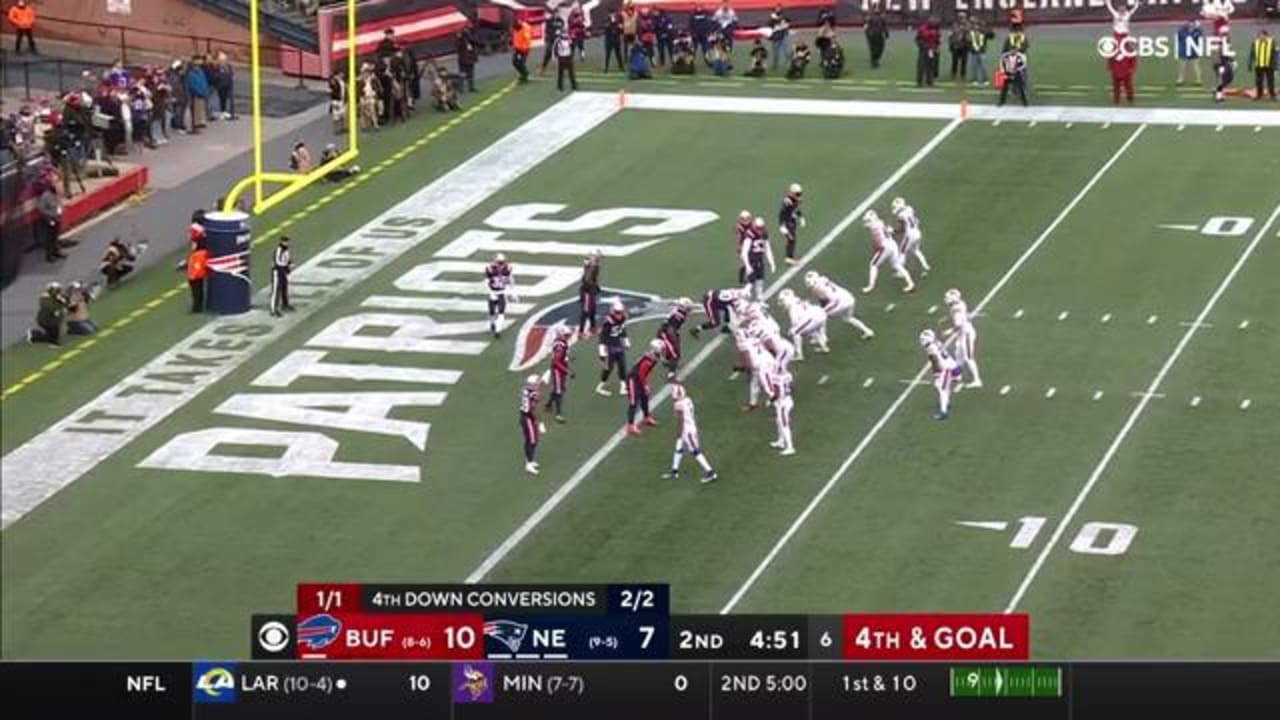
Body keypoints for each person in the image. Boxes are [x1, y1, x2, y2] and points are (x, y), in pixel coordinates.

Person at [662, 384, 718, 483]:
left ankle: (710, 472)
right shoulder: (688, 400)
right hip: (690, 427)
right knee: (679, 448)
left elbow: (681, 420)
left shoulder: (678, 404)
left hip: (687, 430)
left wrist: (679, 432)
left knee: (695, 451)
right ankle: (674, 471)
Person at [805, 271, 874, 339]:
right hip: (849, 298)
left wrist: (824, 310)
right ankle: (868, 331)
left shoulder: (817, 288)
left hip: (840, 303)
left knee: (820, 316)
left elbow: (834, 301)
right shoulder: (823, 279)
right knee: (847, 318)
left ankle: (822, 337)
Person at [862, 209, 914, 294]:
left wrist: (876, 249)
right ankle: (910, 283)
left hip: (885, 246)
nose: (867, 222)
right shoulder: (880, 222)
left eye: (868, 220)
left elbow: (877, 241)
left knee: (873, 265)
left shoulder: (874, 226)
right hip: (892, 244)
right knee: (897, 265)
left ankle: (871, 286)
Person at [943, 288, 982, 389]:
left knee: (968, 358)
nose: (946, 299)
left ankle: (977, 380)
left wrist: (949, 331)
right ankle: (957, 375)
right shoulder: (960, 304)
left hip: (966, 334)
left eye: (948, 297)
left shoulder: (956, 309)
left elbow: (959, 325)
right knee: (958, 354)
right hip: (963, 333)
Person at [624, 339, 664, 436]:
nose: (662, 350)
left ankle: (646, 417)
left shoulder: (654, 355)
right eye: (661, 348)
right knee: (633, 402)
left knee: (645, 398)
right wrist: (645, 385)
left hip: (638, 378)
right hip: (633, 379)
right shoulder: (649, 359)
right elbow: (640, 374)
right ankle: (630, 426)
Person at [777, 288, 830, 360]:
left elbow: (795, 323)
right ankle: (824, 347)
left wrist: (791, 330)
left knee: (795, 332)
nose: (782, 303)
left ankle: (799, 355)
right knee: (812, 329)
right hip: (820, 313)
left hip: (814, 317)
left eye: (782, 301)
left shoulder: (792, 308)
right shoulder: (797, 300)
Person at [919, 329, 960, 420]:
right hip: (951, 365)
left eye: (923, 339)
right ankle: (946, 404)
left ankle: (943, 412)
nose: (922, 341)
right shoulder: (937, 343)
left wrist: (937, 373)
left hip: (945, 368)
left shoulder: (931, 348)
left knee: (942, 389)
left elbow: (935, 362)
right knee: (943, 387)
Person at [596, 299, 630, 395]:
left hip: (618, 344)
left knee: (622, 366)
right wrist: (601, 350)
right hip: (609, 347)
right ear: (612, 311)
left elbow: (622, 329)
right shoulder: (608, 321)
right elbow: (602, 336)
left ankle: (623, 387)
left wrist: (626, 340)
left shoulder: (623, 318)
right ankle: (600, 387)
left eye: (620, 312)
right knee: (608, 369)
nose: (619, 314)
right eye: (617, 312)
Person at [891, 196, 931, 276]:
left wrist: (893, 231)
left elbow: (901, 229)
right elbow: (916, 220)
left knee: (902, 252)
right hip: (917, 233)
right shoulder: (910, 208)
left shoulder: (901, 215)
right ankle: (925, 265)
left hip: (910, 236)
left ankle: (900, 271)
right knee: (916, 250)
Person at [740, 216, 775, 299]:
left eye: (762, 228)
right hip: (752, 259)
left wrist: (772, 262)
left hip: (759, 259)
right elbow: (744, 252)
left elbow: (768, 248)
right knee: (751, 282)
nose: (760, 230)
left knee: (760, 280)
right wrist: (747, 265)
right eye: (759, 228)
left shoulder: (764, 234)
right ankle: (741, 299)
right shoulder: (750, 235)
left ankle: (760, 298)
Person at [545, 326, 574, 422]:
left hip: (561, 368)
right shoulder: (560, 345)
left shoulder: (561, 342)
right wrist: (567, 371)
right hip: (558, 369)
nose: (568, 337)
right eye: (566, 335)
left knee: (560, 389)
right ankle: (558, 414)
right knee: (559, 391)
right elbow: (556, 361)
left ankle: (548, 405)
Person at [485, 253, 517, 337]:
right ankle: (493, 324)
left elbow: (511, 280)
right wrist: (490, 292)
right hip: (494, 292)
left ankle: (497, 330)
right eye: (499, 262)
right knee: (492, 312)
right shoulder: (490, 268)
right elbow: (487, 281)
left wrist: (512, 292)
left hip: (501, 292)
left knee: (501, 313)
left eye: (501, 262)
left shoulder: (506, 269)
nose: (500, 264)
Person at [518, 374, 545, 475]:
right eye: (537, 383)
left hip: (524, 416)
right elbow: (534, 409)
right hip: (528, 417)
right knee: (532, 441)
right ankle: (529, 464)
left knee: (530, 440)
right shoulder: (533, 393)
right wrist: (540, 423)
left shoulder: (525, 390)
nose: (538, 384)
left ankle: (530, 460)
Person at [768, 365, 796, 456]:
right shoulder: (788, 374)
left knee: (784, 424)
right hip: (788, 399)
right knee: (778, 422)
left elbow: (777, 393)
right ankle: (781, 441)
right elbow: (792, 387)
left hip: (783, 403)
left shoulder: (775, 377)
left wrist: (770, 400)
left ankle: (790, 447)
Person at [36, 184, 66, 261]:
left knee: (56, 235)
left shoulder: (57, 194)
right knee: (50, 237)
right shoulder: (45, 196)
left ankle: (56, 251)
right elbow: (41, 209)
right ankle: (49, 256)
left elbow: (59, 204)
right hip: (50, 219)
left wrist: (60, 212)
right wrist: (51, 215)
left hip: (57, 218)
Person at [778, 183, 805, 262]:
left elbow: (796, 209)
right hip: (787, 223)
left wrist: (801, 217)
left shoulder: (794, 200)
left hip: (791, 221)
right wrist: (782, 226)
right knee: (791, 239)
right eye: (797, 194)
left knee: (792, 239)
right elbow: (781, 215)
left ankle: (790, 257)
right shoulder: (787, 202)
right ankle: (789, 258)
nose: (799, 196)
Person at [1249, 28, 1277, 101]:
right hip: (1259, 65)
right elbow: (1252, 53)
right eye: (1259, 35)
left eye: (1262, 35)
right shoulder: (1255, 42)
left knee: (1270, 81)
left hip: (1269, 65)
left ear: (1266, 35)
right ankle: (1259, 95)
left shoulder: (1271, 42)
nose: (1261, 36)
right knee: (1259, 81)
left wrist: (1275, 65)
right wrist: (1250, 63)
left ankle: (1272, 96)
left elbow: (1274, 54)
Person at [579, 249, 601, 336]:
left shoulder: (593, 267)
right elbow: (587, 280)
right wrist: (594, 287)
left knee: (592, 310)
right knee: (585, 311)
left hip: (590, 291)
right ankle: (581, 331)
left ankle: (593, 327)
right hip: (587, 292)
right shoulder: (591, 268)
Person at [270, 236, 294, 317]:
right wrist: (287, 267)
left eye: (287, 241)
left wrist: (290, 263)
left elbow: (287, 258)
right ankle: (274, 309)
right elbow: (278, 262)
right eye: (285, 241)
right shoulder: (278, 250)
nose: (287, 243)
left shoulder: (286, 250)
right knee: (276, 290)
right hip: (277, 271)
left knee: (284, 287)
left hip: (283, 271)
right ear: (281, 242)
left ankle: (285, 304)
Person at [1176, 18, 1204, 86]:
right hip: (1184, 50)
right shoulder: (1181, 30)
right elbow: (1179, 38)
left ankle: (1198, 80)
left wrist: (1198, 28)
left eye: (1192, 23)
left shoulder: (1197, 31)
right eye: (1188, 22)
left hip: (1194, 51)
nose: (1189, 24)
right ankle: (1180, 79)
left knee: (1195, 66)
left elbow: (1199, 36)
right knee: (1182, 66)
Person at [915, 17, 941, 86]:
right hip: (924, 50)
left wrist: (936, 47)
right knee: (921, 65)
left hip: (931, 50)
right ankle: (919, 81)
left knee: (931, 64)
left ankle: (929, 81)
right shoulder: (922, 29)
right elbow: (917, 39)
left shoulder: (936, 30)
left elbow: (937, 40)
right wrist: (922, 45)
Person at [540, 4, 565, 75]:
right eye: (555, 13)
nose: (556, 14)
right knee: (548, 52)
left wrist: (561, 35)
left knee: (560, 53)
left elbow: (562, 29)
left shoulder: (561, 21)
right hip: (550, 39)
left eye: (557, 13)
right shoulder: (549, 21)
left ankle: (560, 68)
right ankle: (543, 68)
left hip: (558, 40)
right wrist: (550, 35)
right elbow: (547, 30)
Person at [187, 239, 209, 313]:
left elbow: (197, 266)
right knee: (199, 292)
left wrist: (193, 275)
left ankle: (197, 308)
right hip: (198, 276)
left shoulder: (198, 254)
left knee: (196, 293)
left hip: (195, 276)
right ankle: (199, 307)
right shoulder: (202, 253)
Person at [969, 19, 993, 85]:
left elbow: (992, 36)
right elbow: (968, 41)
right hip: (973, 52)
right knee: (974, 67)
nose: (976, 27)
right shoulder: (971, 33)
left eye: (977, 25)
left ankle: (985, 79)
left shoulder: (984, 32)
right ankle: (975, 79)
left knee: (983, 66)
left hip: (982, 52)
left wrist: (988, 28)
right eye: (975, 25)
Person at [768, 5, 791, 72]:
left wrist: (785, 26)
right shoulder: (772, 16)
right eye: (777, 8)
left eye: (779, 8)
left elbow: (787, 24)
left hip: (783, 36)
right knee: (776, 53)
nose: (778, 10)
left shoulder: (784, 16)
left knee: (787, 52)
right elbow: (770, 24)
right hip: (776, 37)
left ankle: (788, 65)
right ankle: (775, 65)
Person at [456, 28, 478, 93]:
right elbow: (457, 45)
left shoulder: (470, 41)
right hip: (464, 60)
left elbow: (474, 48)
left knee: (470, 74)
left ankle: (470, 87)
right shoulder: (461, 42)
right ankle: (461, 88)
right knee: (463, 74)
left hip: (469, 60)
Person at [512, 17, 532, 83]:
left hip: (524, 49)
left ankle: (525, 74)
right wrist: (515, 46)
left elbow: (527, 41)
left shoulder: (526, 29)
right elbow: (515, 37)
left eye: (517, 28)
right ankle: (522, 73)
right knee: (514, 62)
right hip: (517, 48)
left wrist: (522, 49)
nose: (515, 30)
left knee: (521, 62)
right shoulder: (515, 27)